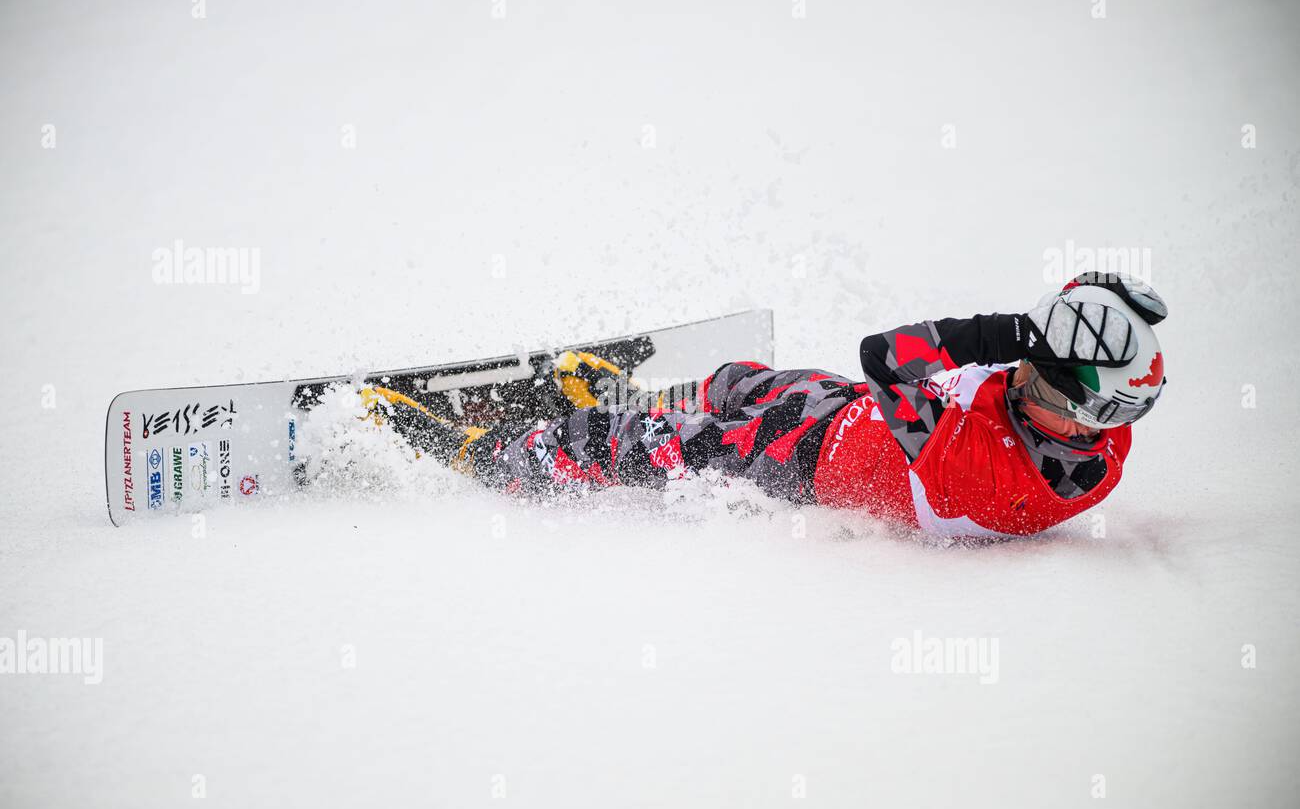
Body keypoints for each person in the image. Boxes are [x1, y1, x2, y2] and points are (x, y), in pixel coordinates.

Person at [365, 272, 1167, 537]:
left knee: (643, 444)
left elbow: (887, 357)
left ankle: (486, 454)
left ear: (1095, 419)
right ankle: (627, 400)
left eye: (1051, 388)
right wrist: (1058, 338)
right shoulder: (1099, 441)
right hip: (852, 411)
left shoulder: (982, 476)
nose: (1023, 379)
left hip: (797, 458)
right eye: (1030, 367)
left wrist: (1011, 332)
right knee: (735, 380)